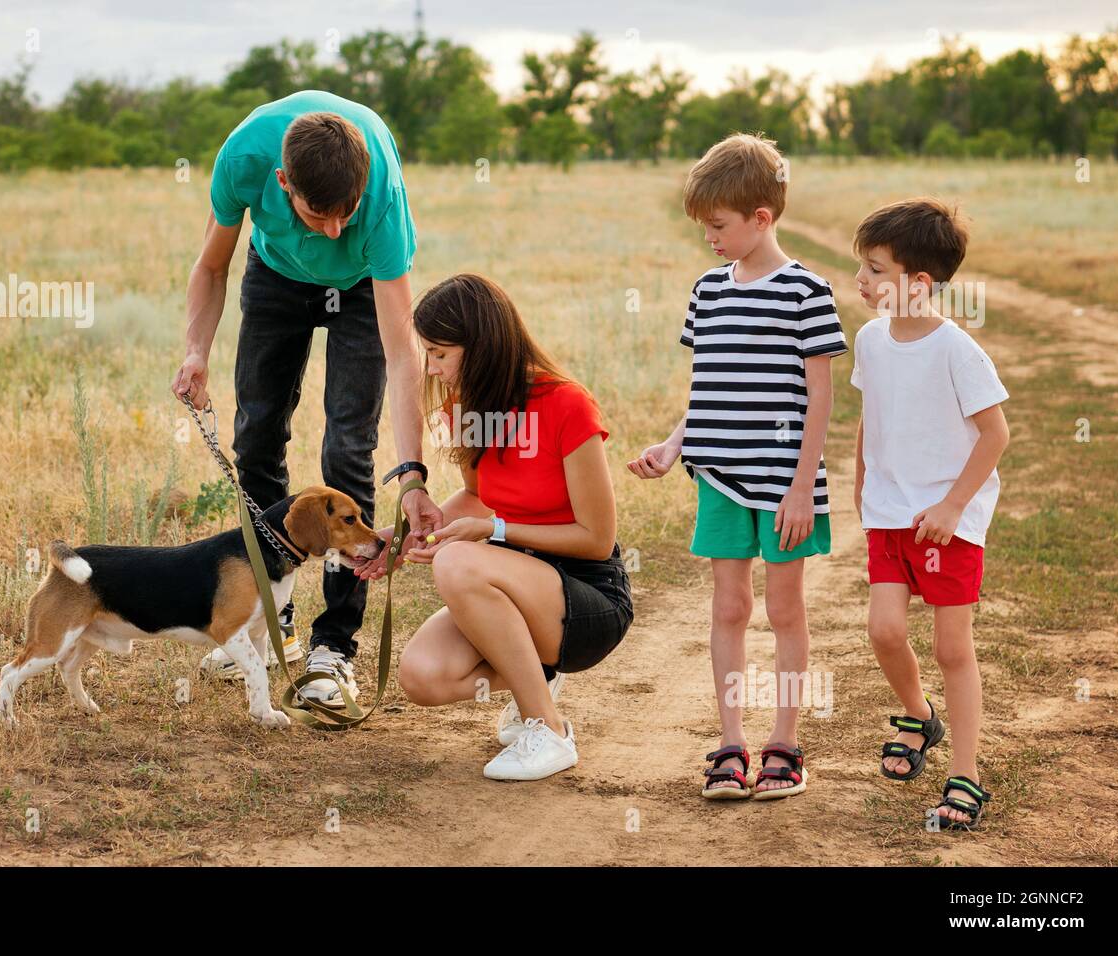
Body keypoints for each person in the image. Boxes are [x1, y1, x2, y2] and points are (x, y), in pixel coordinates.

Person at [172, 90, 442, 708]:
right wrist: (195, 351)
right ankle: (273, 620)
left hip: (359, 290)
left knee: (348, 447)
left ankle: (335, 649)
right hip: (275, 276)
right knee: (257, 437)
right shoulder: (243, 159)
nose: (334, 230)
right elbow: (212, 266)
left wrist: (414, 473)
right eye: (318, 214)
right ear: (281, 182)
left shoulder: (381, 205)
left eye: (345, 213)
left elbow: (403, 352)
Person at [628, 133, 847, 800]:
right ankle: (730, 744)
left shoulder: (806, 291)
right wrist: (674, 445)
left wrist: (803, 487)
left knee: (784, 610)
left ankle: (785, 743)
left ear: (761, 217)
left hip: (785, 484)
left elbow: (821, 396)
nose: (710, 240)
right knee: (728, 606)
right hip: (718, 479)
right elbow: (708, 390)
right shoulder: (708, 292)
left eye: (719, 227)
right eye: (703, 228)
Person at [360, 274, 633, 781]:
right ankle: (536, 679)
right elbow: (478, 496)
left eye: (441, 353)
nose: (432, 368)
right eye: (428, 353)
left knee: (459, 562)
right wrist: (407, 538)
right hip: (514, 586)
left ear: (481, 346)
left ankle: (547, 729)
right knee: (421, 677)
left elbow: (596, 539)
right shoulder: (465, 406)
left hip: (589, 600)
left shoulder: (566, 404)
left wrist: (493, 533)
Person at [852, 198, 1010, 830]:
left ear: (918, 283)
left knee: (952, 647)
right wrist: (863, 486)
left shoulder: (956, 351)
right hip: (889, 513)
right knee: (885, 631)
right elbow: (872, 415)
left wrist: (951, 504)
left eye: (874, 268)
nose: (860, 280)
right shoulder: (869, 337)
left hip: (949, 519)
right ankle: (919, 716)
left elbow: (995, 435)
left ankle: (966, 774)